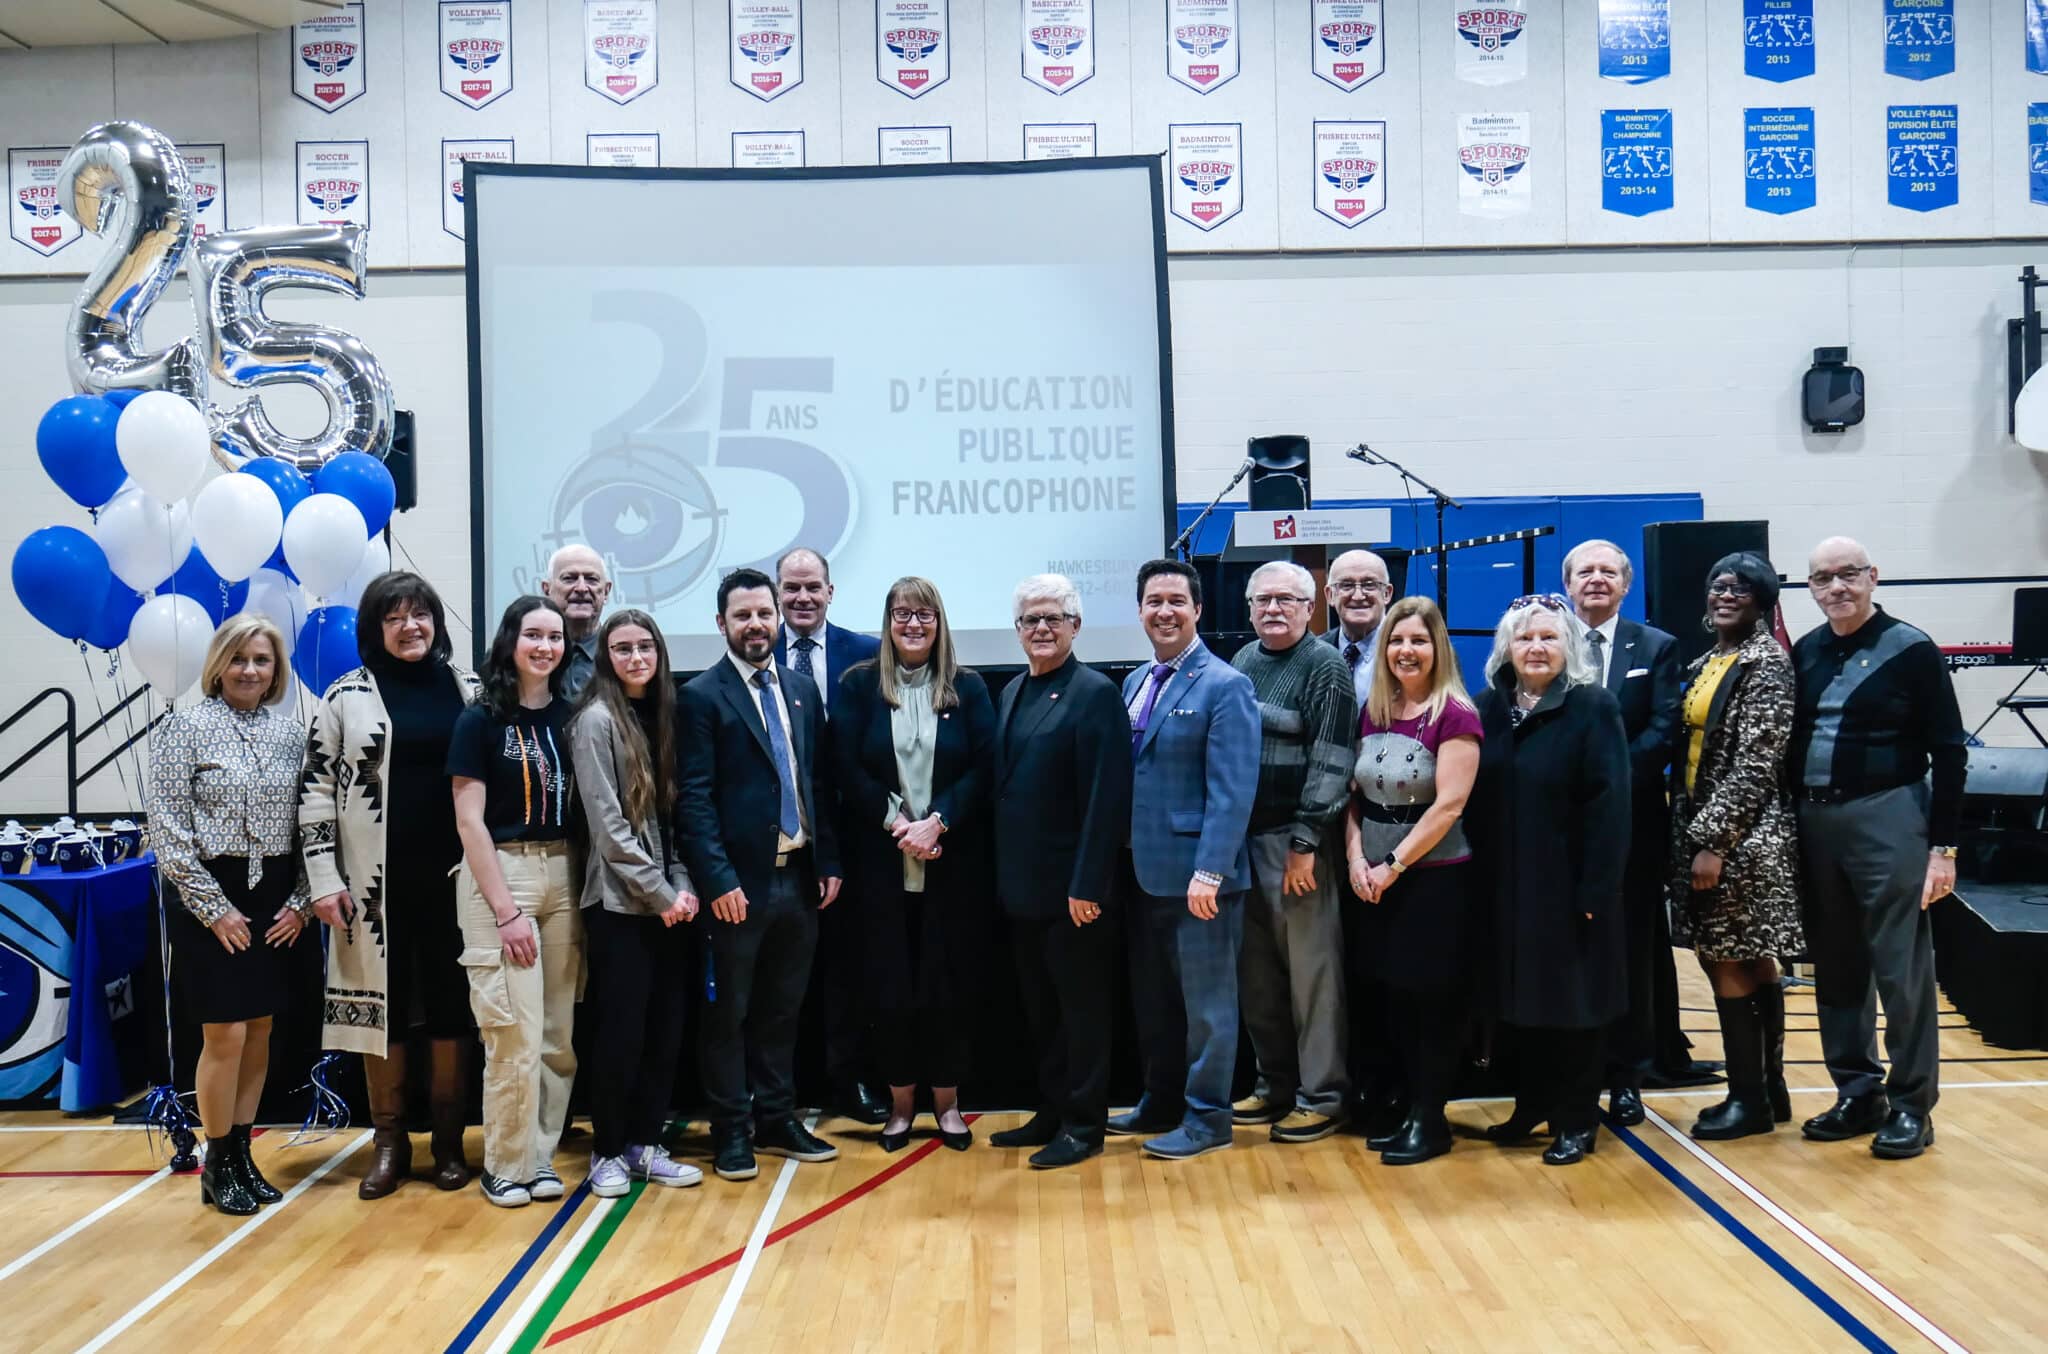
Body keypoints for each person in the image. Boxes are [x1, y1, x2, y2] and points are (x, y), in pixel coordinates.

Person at [301, 572, 483, 1200]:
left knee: (452, 1010)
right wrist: (323, 879)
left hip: (462, 884)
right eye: (395, 617)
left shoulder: (472, 690)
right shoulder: (346, 696)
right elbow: (316, 792)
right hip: (372, 891)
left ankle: (451, 1143)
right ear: (375, 630)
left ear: (436, 621)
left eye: (421, 615)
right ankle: (389, 1143)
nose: (411, 627)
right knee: (385, 1013)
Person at [1790, 537, 1964, 1160]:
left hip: (1888, 818)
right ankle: (1857, 1093)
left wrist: (1943, 849)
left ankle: (1912, 1106)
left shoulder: (1912, 649)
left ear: (1873, 577)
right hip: (1816, 823)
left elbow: (1949, 751)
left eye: (1848, 574)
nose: (1836, 587)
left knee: (1900, 969)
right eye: (1822, 578)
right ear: (1809, 588)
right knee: (1835, 967)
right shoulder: (1806, 651)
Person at [677, 568, 844, 1182]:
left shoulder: (801, 689)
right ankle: (731, 1131)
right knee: (729, 1016)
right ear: (721, 624)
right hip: (737, 888)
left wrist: (828, 862)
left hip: (798, 880)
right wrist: (718, 881)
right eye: (742, 615)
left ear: (779, 619)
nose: (755, 625)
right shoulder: (700, 696)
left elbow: (816, 783)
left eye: (763, 614)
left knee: (782, 1011)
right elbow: (692, 800)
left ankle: (777, 1117)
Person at [150, 614, 310, 1215]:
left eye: (262, 660)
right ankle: (216, 1163)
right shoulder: (183, 730)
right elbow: (167, 831)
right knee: (226, 1032)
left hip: (274, 896)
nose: (250, 670)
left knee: (262, 1028)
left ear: (276, 671)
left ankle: (244, 1153)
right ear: (218, 665)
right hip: (208, 895)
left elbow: (311, 825)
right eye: (239, 659)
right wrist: (216, 911)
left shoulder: (291, 735)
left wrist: (298, 903)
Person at [833, 578, 995, 1152]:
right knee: (890, 992)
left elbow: (985, 767)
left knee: (946, 990)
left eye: (924, 614)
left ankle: (948, 1107)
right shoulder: (858, 687)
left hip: (951, 869)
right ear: (888, 621)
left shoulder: (968, 689)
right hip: (881, 870)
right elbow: (844, 766)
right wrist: (896, 821)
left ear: (939, 621)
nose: (913, 624)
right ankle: (901, 1107)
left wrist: (938, 822)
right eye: (903, 614)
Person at [1468, 595, 1630, 1166]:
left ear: (1569, 648)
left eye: (1549, 638)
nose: (1536, 648)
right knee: (1518, 1003)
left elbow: (1610, 807)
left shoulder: (1594, 707)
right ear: (1506, 649)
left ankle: (1577, 1119)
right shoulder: (1487, 708)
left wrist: (1595, 890)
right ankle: (1530, 1104)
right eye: (1525, 638)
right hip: (1504, 886)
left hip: (1567, 887)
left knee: (1574, 1009)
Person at [1109, 560, 1259, 1160]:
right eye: (1153, 601)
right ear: (1140, 610)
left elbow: (1233, 789)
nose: (1164, 611)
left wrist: (1211, 870)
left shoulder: (1225, 685)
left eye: (1176, 600)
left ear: (1198, 610)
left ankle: (1207, 1118)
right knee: (1158, 1004)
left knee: (1209, 1008)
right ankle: (1161, 1099)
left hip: (1201, 880)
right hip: (1144, 874)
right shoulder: (1137, 682)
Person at [989, 574, 1132, 1169]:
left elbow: (1107, 796)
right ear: (1018, 631)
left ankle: (1083, 1125)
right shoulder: (1012, 690)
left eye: (1053, 619)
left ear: (1075, 626)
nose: (1041, 630)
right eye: (1030, 621)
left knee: (1081, 1014)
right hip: (1021, 889)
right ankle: (1050, 1111)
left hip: (1073, 892)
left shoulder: (1094, 692)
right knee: (1040, 1012)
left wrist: (1088, 884)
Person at [449, 595, 583, 1208]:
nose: (545, 647)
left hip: (564, 873)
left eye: (555, 637)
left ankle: (539, 1157)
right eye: (533, 635)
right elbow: (470, 822)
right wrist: (505, 911)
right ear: (510, 641)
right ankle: (503, 1164)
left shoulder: (573, 715)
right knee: (513, 1036)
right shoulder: (480, 719)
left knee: (556, 1037)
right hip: (501, 876)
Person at [1668, 554, 1805, 1141]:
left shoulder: (1766, 663)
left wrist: (1712, 842)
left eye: (1741, 589)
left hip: (1741, 838)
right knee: (1746, 958)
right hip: (1709, 830)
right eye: (1718, 586)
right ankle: (1768, 1090)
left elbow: (1757, 763)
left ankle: (1748, 1098)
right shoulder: (1710, 661)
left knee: (1729, 957)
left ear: (1763, 601)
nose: (1726, 595)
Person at [568, 610, 704, 1195]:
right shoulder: (595, 720)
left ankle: (646, 1143)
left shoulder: (664, 716)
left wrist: (683, 886)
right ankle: (607, 1151)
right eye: (622, 648)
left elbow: (669, 820)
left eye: (645, 646)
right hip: (621, 906)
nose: (635, 658)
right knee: (621, 1031)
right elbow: (610, 830)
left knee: (665, 1029)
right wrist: (662, 893)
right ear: (606, 657)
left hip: (671, 902)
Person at [1343, 597, 1482, 1166]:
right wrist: (1355, 860)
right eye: (1396, 641)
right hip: (1371, 884)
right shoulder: (1375, 708)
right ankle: (1402, 1106)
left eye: (1418, 641)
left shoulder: (1456, 714)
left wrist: (1393, 866)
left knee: (1430, 1005)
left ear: (1437, 648)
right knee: (1390, 1001)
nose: (1406, 651)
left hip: (1431, 883)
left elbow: (1448, 806)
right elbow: (1352, 801)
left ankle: (1432, 1119)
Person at [1563, 538, 1690, 1126]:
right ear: (1567, 583)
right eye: (1584, 571)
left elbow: (1666, 729)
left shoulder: (1657, 648)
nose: (1595, 579)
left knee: (1632, 950)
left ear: (1626, 583)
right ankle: (1566, 1073)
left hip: (1634, 823)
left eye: (1607, 571)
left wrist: (1605, 781)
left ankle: (1628, 1075)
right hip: (1558, 827)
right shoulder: (1544, 640)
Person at [1229, 561, 1358, 1142]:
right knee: (1259, 979)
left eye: (1287, 599)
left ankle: (1323, 1095)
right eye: (1263, 600)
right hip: (1242, 843)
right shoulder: (1244, 662)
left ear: (1312, 609)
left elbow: (1333, 759)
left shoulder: (1325, 667)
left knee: (1312, 979)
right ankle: (1273, 1083)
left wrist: (1306, 842)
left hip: (1296, 845)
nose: (1273, 609)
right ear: (1249, 608)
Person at [774, 545, 886, 1125]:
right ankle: (779, 1092)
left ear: (830, 591)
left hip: (853, 843)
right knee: (780, 976)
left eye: (812, 587)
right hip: (777, 844)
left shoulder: (867, 655)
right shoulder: (754, 653)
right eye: (791, 588)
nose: (802, 598)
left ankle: (849, 1082)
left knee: (847, 971)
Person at [1323, 548, 1394, 711]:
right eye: (1346, 585)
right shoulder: (1313, 653)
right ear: (1330, 595)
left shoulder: (1417, 653)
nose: (1358, 596)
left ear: (1387, 593)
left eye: (1369, 585)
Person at [541, 544, 612, 701]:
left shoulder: (621, 656)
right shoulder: (527, 655)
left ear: (606, 591)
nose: (581, 588)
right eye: (569, 578)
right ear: (547, 589)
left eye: (592, 579)